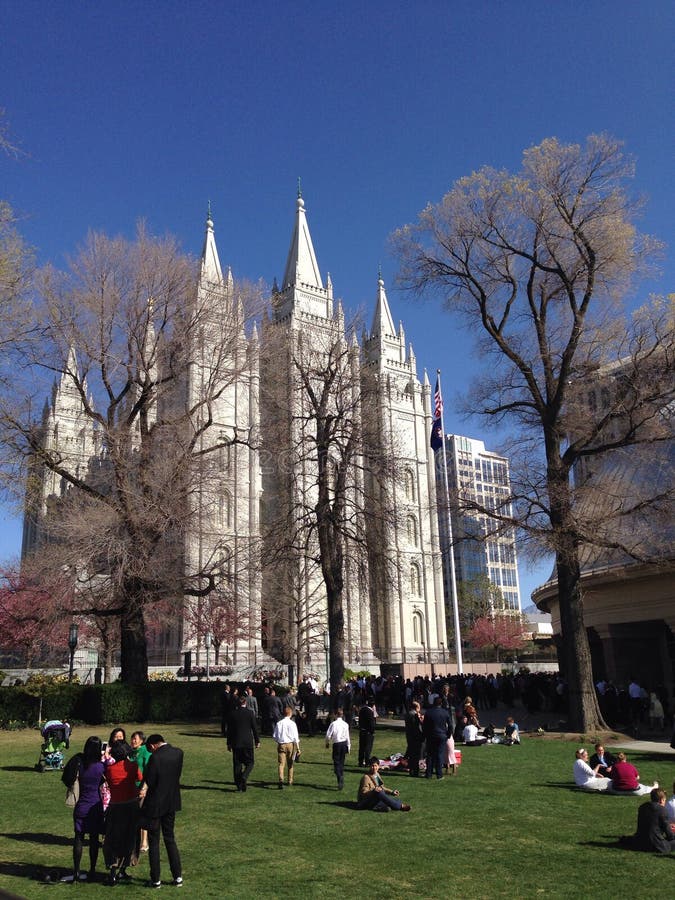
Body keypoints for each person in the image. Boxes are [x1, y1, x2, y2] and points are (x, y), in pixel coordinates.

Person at [140, 733, 184, 889]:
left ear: (153, 746)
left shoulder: (155, 758)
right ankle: (177, 876)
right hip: (171, 801)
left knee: (154, 842)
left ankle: (156, 879)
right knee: (170, 838)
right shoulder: (178, 753)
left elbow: (150, 781)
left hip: (156, 804)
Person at [60, 736, 105, 883]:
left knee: (78, 838)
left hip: (81, 805)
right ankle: (92, 870)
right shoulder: (101, 767)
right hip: (95, 805)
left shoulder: (80, 765)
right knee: (94, 839)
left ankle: (76, 871)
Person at [103, 741, 142, 884]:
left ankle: (113, 870)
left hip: (115, 807)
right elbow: (139, 778)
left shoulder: (109, 769)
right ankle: (123, 868)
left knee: (114, 839)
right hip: (131, 806)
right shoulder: (132, 766)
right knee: (130, 838)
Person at [227, 693, 260, 791]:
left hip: (236, 742)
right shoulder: (250, 713)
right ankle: (244, 776)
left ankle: (239, 785)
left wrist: (229, 743)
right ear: (245, 702)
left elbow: (230, 730)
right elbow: (254, 728)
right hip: (247, 742)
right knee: (250, 762)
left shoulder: (233, 714)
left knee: (237, 764)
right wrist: (257, 740)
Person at [629, 788, 675, 853]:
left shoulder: (642, 807)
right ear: (662, 800)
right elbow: (669, 835)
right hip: (656, 845)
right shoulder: (662, 810)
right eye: (664, 800)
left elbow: (652, 823)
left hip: (640, 842)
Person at [129, 731, 151, 856]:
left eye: (135, 739)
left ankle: (144, 842)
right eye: (132, 738)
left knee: (142, 815)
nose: (133, 741)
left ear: (142, 741)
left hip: (142, 788)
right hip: (131, 788)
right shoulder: (131, 752)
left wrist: (144, 787)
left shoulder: (145, 752)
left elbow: (149, 771)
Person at [423, 697, 452, 779]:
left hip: (431, 735)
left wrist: (425, 734)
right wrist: (448, 735)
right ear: (441, 703)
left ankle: (428, 774)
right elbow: (450, 725)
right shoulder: (445, 712)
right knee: (439, 754)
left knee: (430, 754)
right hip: (442, 735)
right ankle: (439, 774)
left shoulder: (428, 712)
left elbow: (425, 725)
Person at [273, 706, 300, 789]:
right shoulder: (292, 723)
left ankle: (281, 780)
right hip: (290, 744)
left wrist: (279, 741)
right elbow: (296, 737)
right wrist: (298, 748)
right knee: (290, 763)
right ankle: (290, 780)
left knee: (281, 764)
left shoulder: (279, 723)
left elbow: (275, 736)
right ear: (290, 713)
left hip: (281, 744)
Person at [325, 707, 350, 790]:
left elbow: (328, 735)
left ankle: (339, 776)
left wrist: (327, 742)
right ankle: (341, 775)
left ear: (335, 715)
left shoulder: (333, 724)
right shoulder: (345, 724)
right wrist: (348, 746)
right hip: (344, 743)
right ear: (342, 715)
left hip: (337, 744)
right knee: (342, 762)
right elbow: (347, 736)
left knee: (336, 761)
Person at [404, 701, 425, 777]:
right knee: (416, 755)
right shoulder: (414, 715)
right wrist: (421, 720)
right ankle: (415, 771)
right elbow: (417, 727)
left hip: (409, 736)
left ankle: (411, 770)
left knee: (412, 754)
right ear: (416, 707)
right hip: (416, 737)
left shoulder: (408, 714)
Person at [357, 701, 376, 766]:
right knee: (368, 747)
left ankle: (360, 761)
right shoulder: (370, 712)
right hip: (368, 732)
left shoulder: (362, 710)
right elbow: (371, 723)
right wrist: (372, 731)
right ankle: (367, 761)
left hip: (362, 731)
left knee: (361, 747)